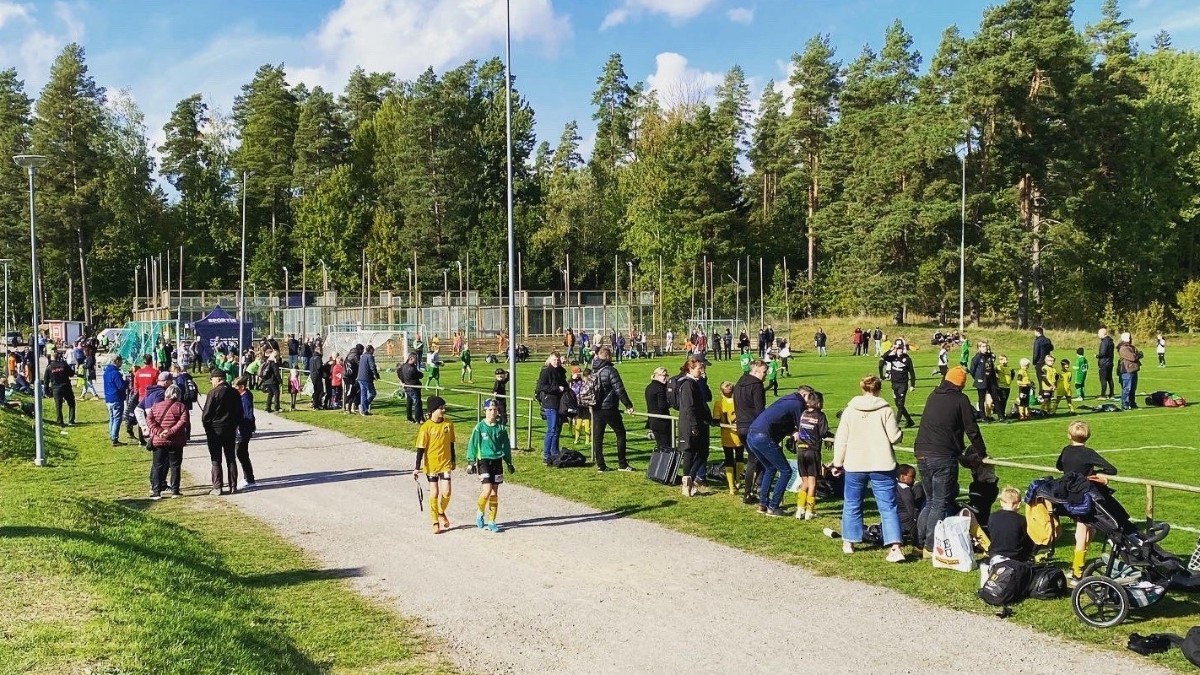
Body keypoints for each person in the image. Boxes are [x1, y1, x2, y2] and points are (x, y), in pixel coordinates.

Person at [913, 365, 987, 557]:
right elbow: (972, 429)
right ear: (961, 384)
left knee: (929, 501)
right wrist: (981, 453)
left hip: (921, 452)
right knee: (939, 502)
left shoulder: (933, 395)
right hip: (942, 456)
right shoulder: (960, 399)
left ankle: (918, 542)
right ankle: (930, 546)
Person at [832, 375, 906, 562]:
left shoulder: (850, 411)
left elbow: (841, 440)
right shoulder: (886, 410)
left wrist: (837, 462)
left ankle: (849, 541)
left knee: (852, 503)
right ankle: (895, 547)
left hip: (855, 464)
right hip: (882, 464)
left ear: (862, 388)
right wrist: (899, 433)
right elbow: (894, 437)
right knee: (888, 506)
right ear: (879, 389)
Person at [1056, 420, 1118, 584]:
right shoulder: (1089, 453)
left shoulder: (1066, 450)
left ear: (1069, 435)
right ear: (1088, 436)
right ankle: (1078, 571)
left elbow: (1059, 466)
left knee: (1088, 530)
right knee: (1081, 533)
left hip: (1068, 494)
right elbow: (1112, 469)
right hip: (1083, 496)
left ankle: (1077, 564)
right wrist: (1095, 472)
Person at [745, 385, 808, 517]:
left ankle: (763, 504)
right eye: (809, 397)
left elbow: (782, 419)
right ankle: (773, 506)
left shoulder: (786, 399)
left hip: (752, 433)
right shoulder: (798, 403)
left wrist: (792, 430)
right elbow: (802, 425)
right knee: (786, 470)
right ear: (804, 395)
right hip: (763, 436)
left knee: (770, 468)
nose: (809, 402)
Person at [467, 398, 514, 533]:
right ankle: (480, 512)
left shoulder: (501, 428)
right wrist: (471, 461)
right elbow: (473, 445)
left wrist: (509, 462)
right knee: (487, 490)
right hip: (484, 461)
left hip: (497, 461)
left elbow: (506, 447)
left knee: (494, 492)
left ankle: (492, 521)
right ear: (485, 411)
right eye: (490, 410)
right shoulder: (479, 427)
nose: (492, 412)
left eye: (495, 410)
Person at [590, 347, 635, 472]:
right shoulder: (611, 370)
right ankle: (622, 464)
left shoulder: (594, 369)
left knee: (598, 436)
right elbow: (619, 390)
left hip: (595, 406)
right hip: (609, 407)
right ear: (609, 356)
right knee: (620, 433)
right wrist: (628, 405)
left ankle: (600, 465)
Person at [415, 395, 456, 534]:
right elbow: (420, 449)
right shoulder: (426, 427)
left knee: (447, 492)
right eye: (441, 408)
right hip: (431, 464)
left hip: (445, 463)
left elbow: (451, 444)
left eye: (444, 407)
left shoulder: (448, 424)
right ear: (433, 410)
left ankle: (441, 511)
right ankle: (434, 521)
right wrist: (416, 468)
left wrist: (454, 460)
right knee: (435, 492)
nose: (443, 410)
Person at [202, 369, 244, 495]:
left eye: (212, 379)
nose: (211, 381)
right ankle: (233, 486)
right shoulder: (234, 392)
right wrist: (235, 425)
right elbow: (240, 413)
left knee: (216, 459)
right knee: (231, 457)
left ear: (218, 379)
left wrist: (208, 429)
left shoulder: (213, 393)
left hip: (215, 430)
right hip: (230, 429)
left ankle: (218, 486)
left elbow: (206, 415)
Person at [677, 355, 713, 497]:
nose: (702, 371)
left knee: (694, 452)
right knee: (694, 452)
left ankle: (688, 482)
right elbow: (689, 406)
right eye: (699, 368)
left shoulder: (694, 382)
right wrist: (693, 425)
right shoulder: (688, 384)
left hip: (693, 422)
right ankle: (688, 482)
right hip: (690, 423)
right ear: (690, 368)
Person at [146, 384, 189, 499]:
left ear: (166, 394)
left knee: (157, 466)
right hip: (176, 441)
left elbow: (149, 420)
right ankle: (175, 491)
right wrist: (170, 432)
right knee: (175, 465)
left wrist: (159, 431)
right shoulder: (181, 407)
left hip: (159, 440)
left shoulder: (155, 406)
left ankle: (156, 491)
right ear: (178, 395)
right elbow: (183, 422)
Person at [734, 360, 767, 504]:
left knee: (757, 457)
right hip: (752, 426)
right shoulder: (756, 386)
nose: (766, 376)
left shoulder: (739, 383)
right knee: (754, 459)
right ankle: (749, 492)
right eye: (764, 372)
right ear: (756, 371)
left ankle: (756, 487)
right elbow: (760, 410)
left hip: (740, 425)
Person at [794, 388, 829, 520]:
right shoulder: (820, 415)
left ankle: (799, 509)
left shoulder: (803, 414)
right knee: (813, 482)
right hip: (812, 450)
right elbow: (823, 432)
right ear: (819, 403)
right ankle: (810, 510)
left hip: (801, 450)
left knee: (804, 482)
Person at [986, 487, 1034, 563]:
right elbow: (1027, 540)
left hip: (995, 554)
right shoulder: (1022, 520)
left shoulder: (992, 517)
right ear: (1019, 504)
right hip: (1015, 556)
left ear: (1001, 502)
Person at [712, 380, 742, 496]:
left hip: (727, 435)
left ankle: (731, 486)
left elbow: (716, 419)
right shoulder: (738, 402)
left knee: (729, 459)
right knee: (739, 457)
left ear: (721, 392)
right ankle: (738, 480)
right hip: (738, 433)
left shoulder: (719, 403)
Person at [536, 352, 568, 464]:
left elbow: (564, 385)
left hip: (560, 403)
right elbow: (541, 386)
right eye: (554, 360)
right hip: (550, 403)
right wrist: (556, 388)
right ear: (550, 360)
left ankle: (554, 452)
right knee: (552, 429)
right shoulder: (546, 372)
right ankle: (546, 454)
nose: (557, 362)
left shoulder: (561, 371)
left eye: (558, 360)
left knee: (557, 429)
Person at [880, 339, 916, 427]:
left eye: (900, 349)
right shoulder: (893, 357)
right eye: (898, 349)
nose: (899, 350)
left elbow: (912, 372)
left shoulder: (907, 359)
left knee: (900, 404)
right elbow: (883, 357)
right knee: (898, 404)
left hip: (903, 384)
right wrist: (892, 349)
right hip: (894, 384)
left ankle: (896, 423)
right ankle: (909, 420)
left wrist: (912, 385)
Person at [233, 376, 257, 489]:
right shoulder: (240, 397)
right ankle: (248, 476)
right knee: (241, 453)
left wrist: (239, 422)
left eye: (236, 387)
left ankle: (249, 478)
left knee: (241, 453)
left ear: (242, 387)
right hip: (241, 428)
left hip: (243, 429)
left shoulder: (246, 398)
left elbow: (248, 415)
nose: (234, 388)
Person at [44, 351, 76, 428]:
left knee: (58, 406)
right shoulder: (64, 365)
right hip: (66, 387)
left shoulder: (49, 367)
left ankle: (60, 422)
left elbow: (46, 381)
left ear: (51, 358)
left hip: (56, 388)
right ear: (58, 357)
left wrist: (47, 391)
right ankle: (71, 420)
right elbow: (71, 373)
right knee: (71, 403)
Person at [896, 464, 925, 546]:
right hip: (906, 521)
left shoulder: (895, 486)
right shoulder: (905, 490)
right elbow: (911, 509)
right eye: (912, 476)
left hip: (898, 518)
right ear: (902, 477)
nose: (914, 479)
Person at [968, 340, 996, 421]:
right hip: (981, 382)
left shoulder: (989, 356)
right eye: (983, 346)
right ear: (979, 348)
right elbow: (972, 370)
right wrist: (978, 378)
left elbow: (992, 362)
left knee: (995, 398)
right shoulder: (976, 358)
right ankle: (983, 416)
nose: (985, 348)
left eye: (986, 346)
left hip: (990, 381)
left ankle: (1000, 416)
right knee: (981, 399)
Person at [645, 367, 672, 447]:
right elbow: (662, 405)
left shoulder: (649, 386)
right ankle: (666, 460)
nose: (666, 378)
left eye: (667, 375)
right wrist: (672, 403)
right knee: (666, 445)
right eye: (664, 375)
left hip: (652, 420)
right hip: (661, 421)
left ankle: (661, 459)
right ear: (657, 375)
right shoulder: (660, 388)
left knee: (660, 445)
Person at [103, 356, 127, 446]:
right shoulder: (115, 373)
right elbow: (120, 386)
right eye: (121, 362)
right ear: (117, 361)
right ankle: (115, 438)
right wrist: (126, 381)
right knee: (117, 418)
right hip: (116, 398)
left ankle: (112, 434)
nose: (121, 363)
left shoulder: (106, 372)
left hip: (108, 398)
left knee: (112, 418)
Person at [400, 353, 424, 422]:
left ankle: (409, 417)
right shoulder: (411, 369)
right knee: (417, 403)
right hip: (413, 387)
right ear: (411, 358)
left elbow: (399, 372)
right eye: (415, 359)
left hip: (407, 387)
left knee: (409, 402)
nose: (416, 360)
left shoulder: (404, 366)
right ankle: (418, 419)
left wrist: (402, 381)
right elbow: (420, 375)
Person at [357, 345, 380, 415]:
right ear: (370, 350)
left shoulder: (362, 356)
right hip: (366, 378)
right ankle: (363, 407)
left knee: (363, 394)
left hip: (360, 378)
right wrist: (376, 375)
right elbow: (372, 366)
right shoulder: (370, 356)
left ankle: (364, 410)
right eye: (373, 350)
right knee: (373, 393)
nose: (373, 352)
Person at [1096, 327, 1115, 400]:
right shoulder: (1111, 341)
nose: (1098, 334)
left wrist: (1097, 356)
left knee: (1103, 379)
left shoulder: (1104, 342)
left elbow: (1103, 353)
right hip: (1110, 362)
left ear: (1102, 334)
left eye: (1099, 333)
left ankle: (1103, 395)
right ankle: (1111, 394)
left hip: (1104, 363)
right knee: (1110, 379)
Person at [994, 355, 1014, 421]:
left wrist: (1010, 380)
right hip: (1001, 386)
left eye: (1006, 359)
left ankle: (1003, 413)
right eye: (1003, 360)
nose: (1005, 361)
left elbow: (1012, 375)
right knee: (1002, 400)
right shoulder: (998, 368)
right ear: (1000, 361)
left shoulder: (1010, 368)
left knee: (1005, 400)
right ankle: (1000, 414)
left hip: (1007, 386)